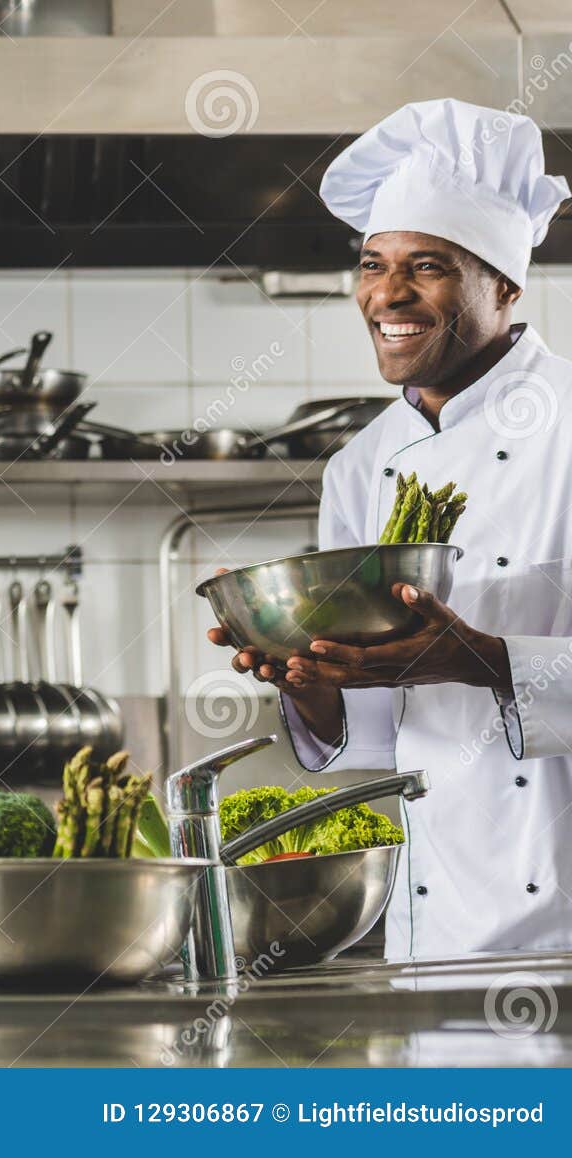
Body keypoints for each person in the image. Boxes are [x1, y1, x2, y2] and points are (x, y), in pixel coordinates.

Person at [209, 98, 572, 958]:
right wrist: (315, 687)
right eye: (373, 264)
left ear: (505, 285)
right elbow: (375, 740)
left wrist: (482, 660)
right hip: (430, 934)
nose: (388, 294)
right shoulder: (361, 466)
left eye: (429, 266)